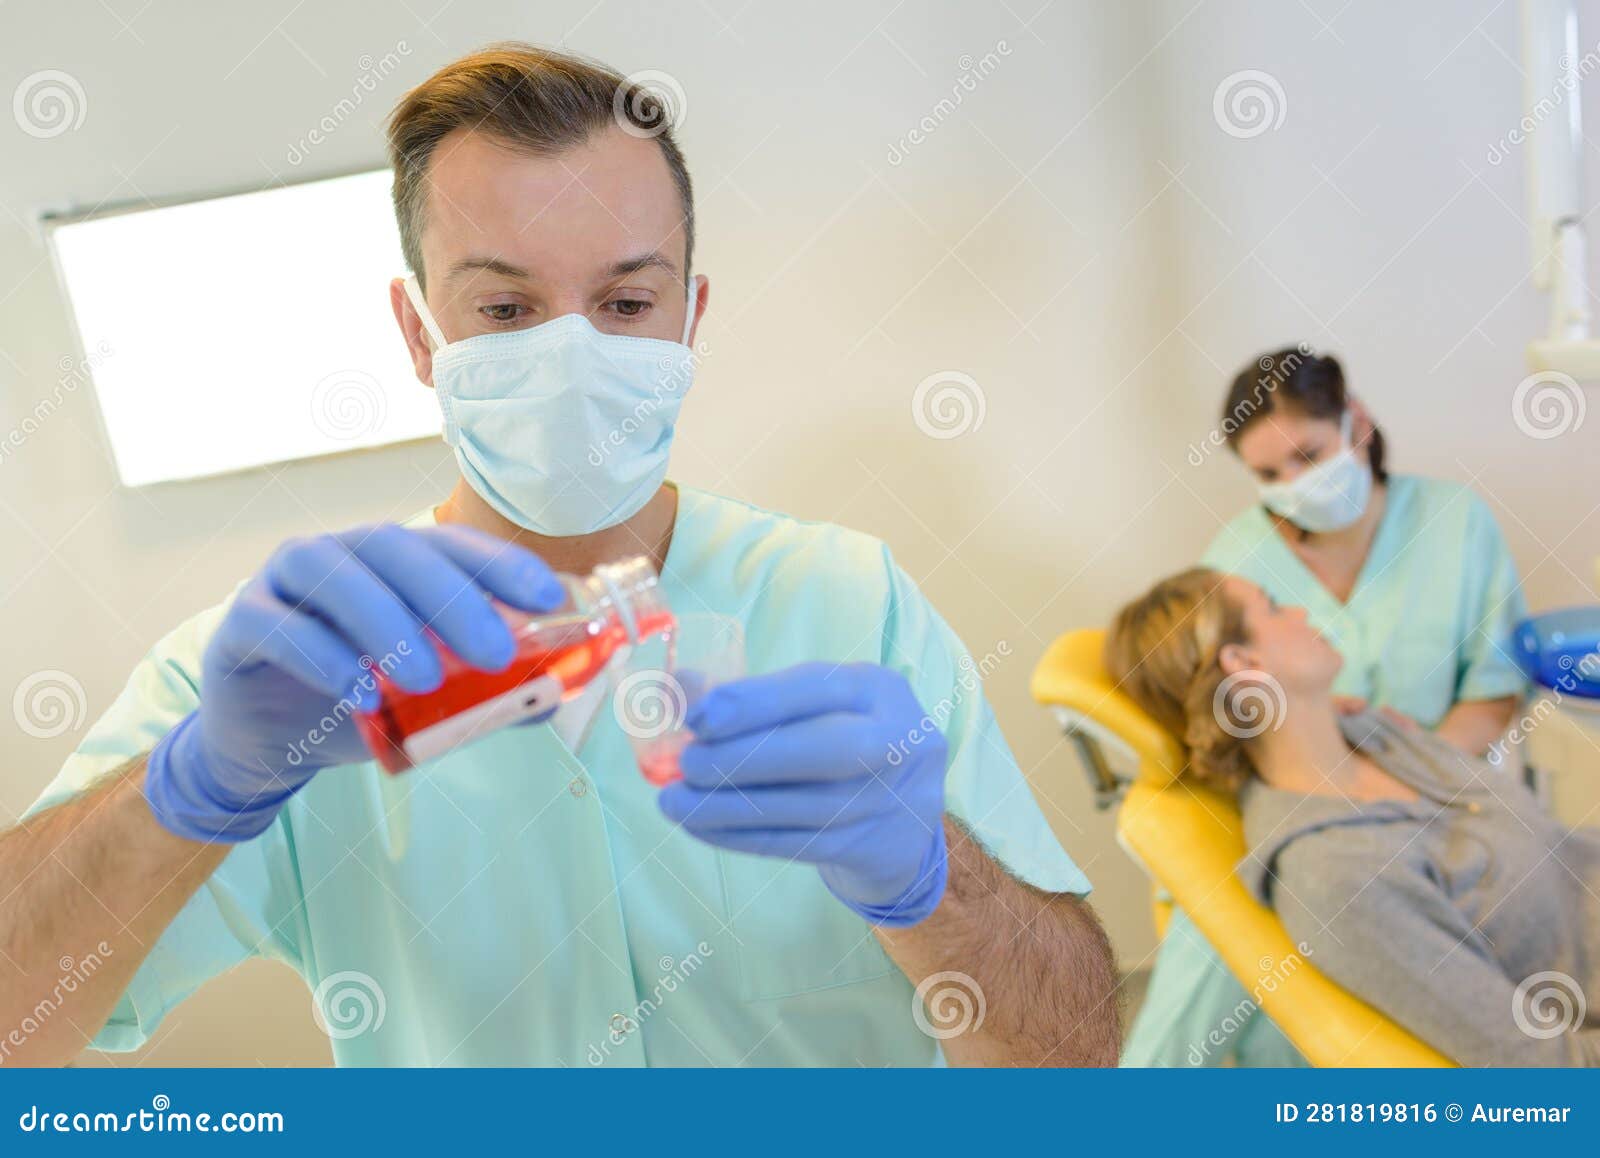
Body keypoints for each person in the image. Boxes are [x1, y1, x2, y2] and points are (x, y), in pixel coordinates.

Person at [0, 44, 1118, 1067]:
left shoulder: (846, 602)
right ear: (414, 332)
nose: (570, 352)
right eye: (505, 306)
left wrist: (931, 876)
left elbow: (1070, 1063)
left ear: (689, 318)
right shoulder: (286, 664)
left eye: (626, 300)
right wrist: (192, 784)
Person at [1126, 347, 1530, 1068]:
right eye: (1268, 475)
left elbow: (1494, 689)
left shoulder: (1453, 521)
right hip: (1310, 809)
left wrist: (1409, 769)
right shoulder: (1237, 563)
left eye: (1307, 455)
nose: (1293, 487)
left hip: (1431, 784)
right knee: (1251, 919)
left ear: (1357, 424)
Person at [1105, 568, 1598, 1067]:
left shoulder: (1374, 735)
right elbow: (1552, 1069)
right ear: (1243, 662)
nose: (1300, 613)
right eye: (1274, 607)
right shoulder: (1336, 875)